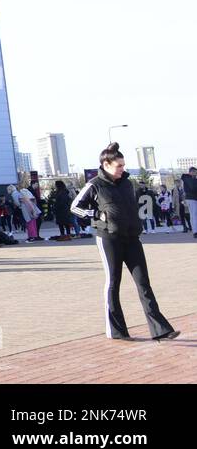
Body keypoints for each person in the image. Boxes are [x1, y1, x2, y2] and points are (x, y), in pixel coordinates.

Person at [70, 143, 180, 342]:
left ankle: (160, 330)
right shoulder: (94, 184)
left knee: (143, 282)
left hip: (132, 238)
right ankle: (117, 331)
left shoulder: (127, 183)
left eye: (123, 165)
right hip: (108, 238)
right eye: (119, 165)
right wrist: (95, 214)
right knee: (113, 282)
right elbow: (75, 207)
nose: (123, 169)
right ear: (106, 164)